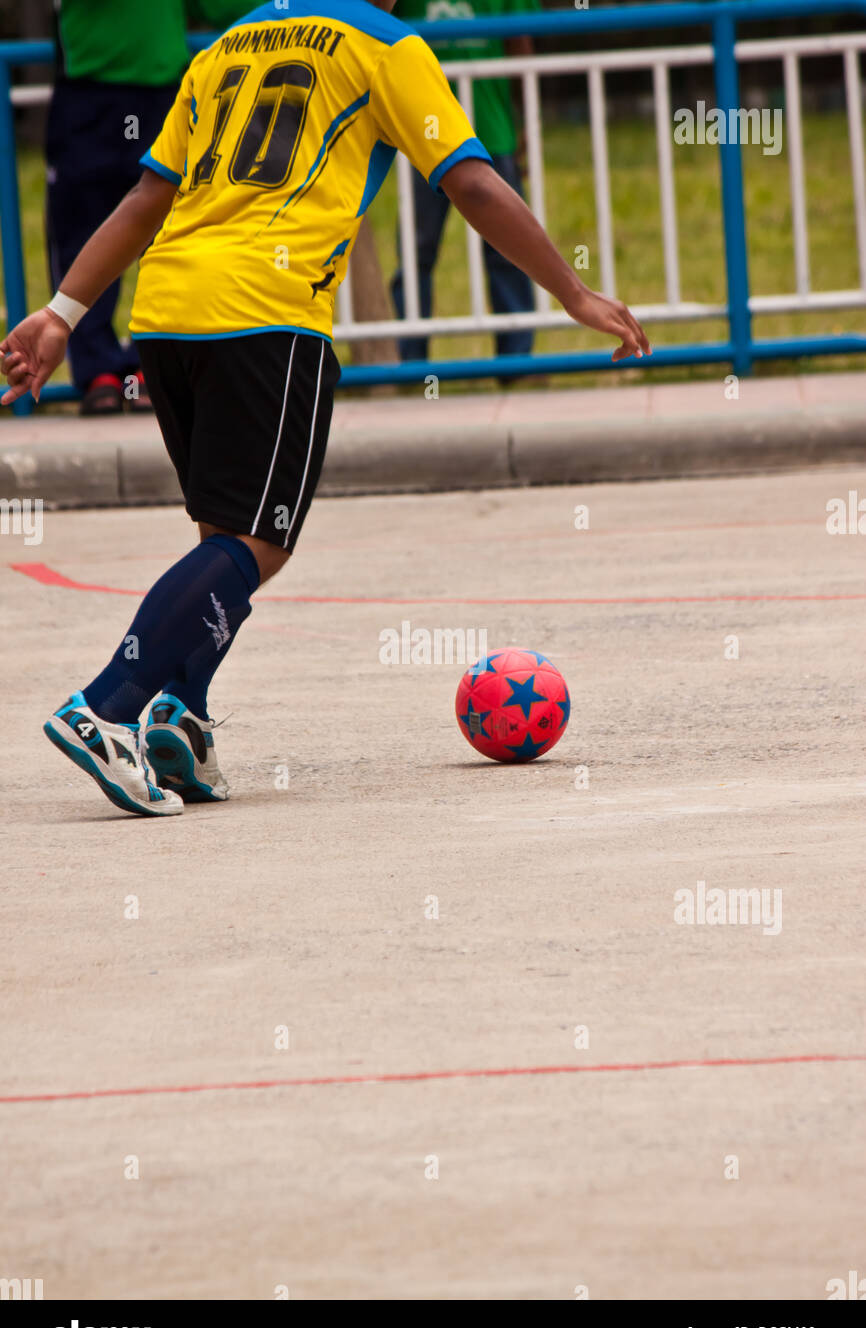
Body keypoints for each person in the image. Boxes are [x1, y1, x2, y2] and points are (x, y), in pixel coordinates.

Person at [2, 0, 649, 819]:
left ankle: (181, 719)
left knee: (220, 537)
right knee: (259, 543)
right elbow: (474, 183)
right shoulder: (385, 46)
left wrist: (62, 312)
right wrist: (575, 293)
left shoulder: (228, 45)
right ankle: (104, 707)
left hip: (165, 317)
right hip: (265, 314)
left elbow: (146, 197)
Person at [46, 0, 246, 415]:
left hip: (166, 91)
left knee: (174, 231)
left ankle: (153, 367)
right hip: (91, 92)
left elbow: (218, 6)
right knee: (83, 227)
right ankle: (98, 370)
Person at [390, 0, 539, 365]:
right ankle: (412, 361)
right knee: (415, 250)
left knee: (509, 247)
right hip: (423, 137)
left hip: (489, 130)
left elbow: (521, 42)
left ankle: (517, 361)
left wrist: (525, 122)